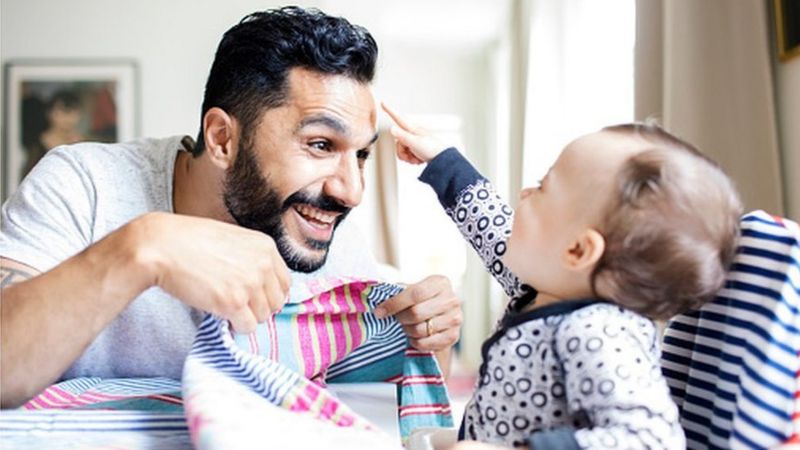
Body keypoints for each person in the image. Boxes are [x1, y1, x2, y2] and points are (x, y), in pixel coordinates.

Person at [0, 7, 462, 409]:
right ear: (223, 138)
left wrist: (430, 335)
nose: (351, 191)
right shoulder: (85, 185)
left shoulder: (330, 242)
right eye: (321, 145)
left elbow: (383, 395)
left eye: (360, 155)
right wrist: (142, 248)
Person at [383, 104, 742, 449]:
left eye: (543, 187)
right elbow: (490, 226)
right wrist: (443, 158)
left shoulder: (597, 330)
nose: (524, 193)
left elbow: (649, 440)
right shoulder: (545, 289)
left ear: (577, 251)